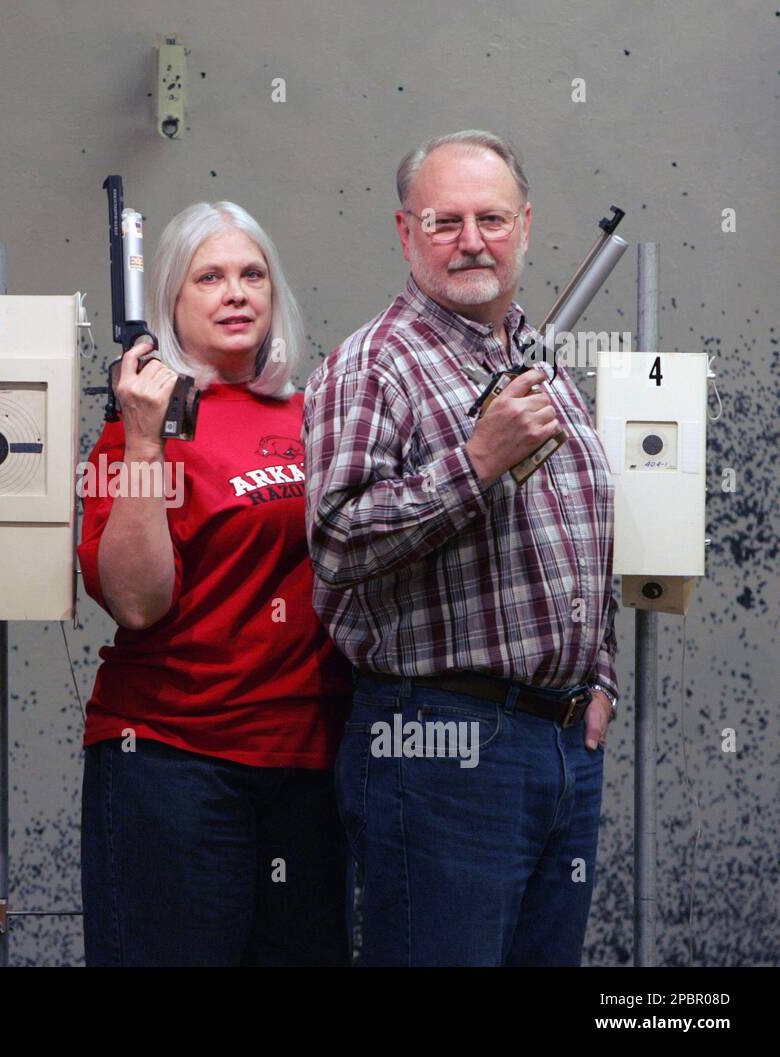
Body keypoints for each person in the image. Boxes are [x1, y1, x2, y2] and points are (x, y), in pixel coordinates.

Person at [304, 130, 619, 966]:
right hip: (442, 743)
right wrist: (477, 462)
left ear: (526, 228)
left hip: (558, 745)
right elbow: (337, 543)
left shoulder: (538, 359)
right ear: (407, 232)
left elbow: (588, 528)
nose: (471, 240)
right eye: (446, 222)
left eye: (491, 218)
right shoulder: (374, 365)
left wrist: (601, 682)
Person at [78, 200, 353, 966]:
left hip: (306, 762)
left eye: (251, 274)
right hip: (173, 760)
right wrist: (142, 436)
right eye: (210, 276)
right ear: (170, 300)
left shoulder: (318, 413)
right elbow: (136, 602)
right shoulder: (138, 428)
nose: (236, 292)